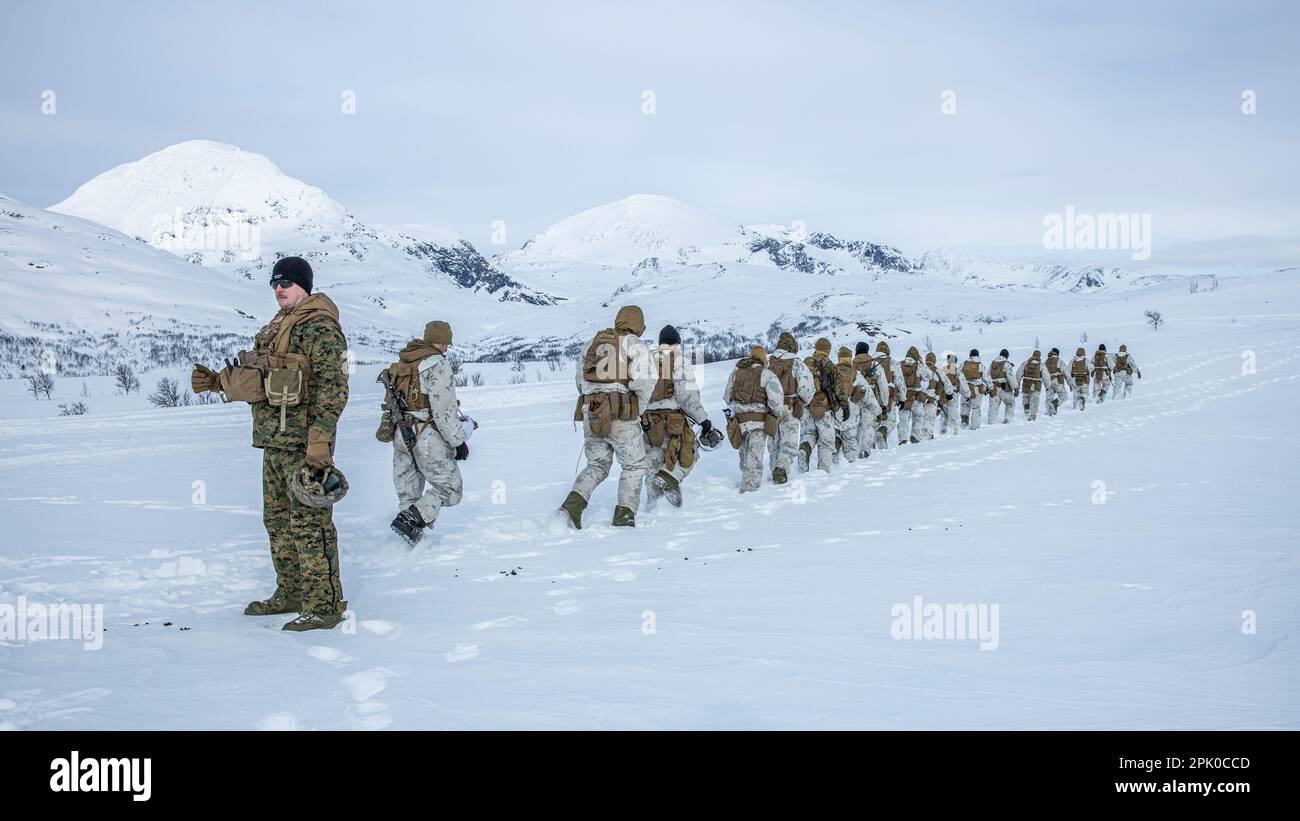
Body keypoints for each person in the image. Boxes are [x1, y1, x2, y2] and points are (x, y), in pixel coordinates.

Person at [190, 256, 349, 631]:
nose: (280, 288)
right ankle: (291, 592)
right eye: (275, 282)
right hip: (272, 441)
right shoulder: (275, 327)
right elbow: (259, 378)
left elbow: (334, 389)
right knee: (277, 522)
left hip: (304, 444)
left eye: (288, 282)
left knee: (309, 523)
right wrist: (219, 382)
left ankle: (324, 605)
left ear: (304, 285)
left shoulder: (320, 328)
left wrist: (319, 443)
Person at [559, 305, 657, 529]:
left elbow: (579, 381)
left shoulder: (591, 344)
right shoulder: (634, 345)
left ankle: (570, 508)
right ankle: (624, 518)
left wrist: (594, 400)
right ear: (638, 324)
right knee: (633, 465)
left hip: (591, 412)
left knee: (596, 465)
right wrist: (637, 409)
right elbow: (645, 381)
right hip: (621, 414)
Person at [381, 321, 469, 546]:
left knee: (409, 493)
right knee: (451, 488)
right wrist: (458, 442)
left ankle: (406, 545)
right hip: (425, 435)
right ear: (439, 341)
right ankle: (410, 521)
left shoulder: (405, 361)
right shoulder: (437, 365)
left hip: (400, 433)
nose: (447, 348)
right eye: (446, 343)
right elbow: (444, 411)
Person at [642, 324, 720, 508]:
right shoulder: (678, 361)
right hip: (672, 422)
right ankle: (670, 478)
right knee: (689, 453)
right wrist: (704, 420)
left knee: (652, 464)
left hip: (647, 424)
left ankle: (653, 508)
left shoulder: (644, 361)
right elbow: (688, 397)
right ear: (675, 343)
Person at [723, 346, 783, 492]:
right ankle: (749, 494)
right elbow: (776, 400)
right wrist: (774, 414)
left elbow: (727, 397)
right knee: (755, 458)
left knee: (744, 455)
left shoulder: (736, 373)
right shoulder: (767, 374)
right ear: (763, 359)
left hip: (740, 422)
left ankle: (745, 486)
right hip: (759, 422)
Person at [765, 331, 814, 484]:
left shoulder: (768, 362)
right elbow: (807, 388)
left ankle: (775, 469)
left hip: (770, 409)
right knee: (790, 441)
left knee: (774, 441)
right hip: (789, 407)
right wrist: (802, 402)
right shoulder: (796, 362)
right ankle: (782, 468)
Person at [800, 338, 846, 472]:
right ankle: (823, 472)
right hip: (824, 408)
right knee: (826, 441)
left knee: (808, 434)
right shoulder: (830, 365)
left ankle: (804, 448)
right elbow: (839, 388)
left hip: (807, 406)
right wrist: (844, 405)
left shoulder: (806, 363)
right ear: (828, 350)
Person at [852, 342, 889, 456]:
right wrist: (884, 403)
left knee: (855, 426)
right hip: (870, 398)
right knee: (868, 425)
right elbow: (883, 386)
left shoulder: (851, 363)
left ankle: (853, 452)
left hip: (854, 399)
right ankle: (865, 449)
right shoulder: (874, 363)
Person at [897, 346, 936, 444]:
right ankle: (915, 437)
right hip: (916, 397)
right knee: (918, 417)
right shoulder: (919, 366)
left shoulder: (899, 364)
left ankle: (903, 439)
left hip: (903, 396)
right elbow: (929, 375)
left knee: (903, 420)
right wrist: (922, 363)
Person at [960, 349, 991, 430]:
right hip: (976, 389)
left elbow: (958, 375)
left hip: (965, 388)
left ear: (970, 355)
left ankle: (964, 424)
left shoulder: (963, 364)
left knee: (964, 405)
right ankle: (975, 426)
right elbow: (986, 378)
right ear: (977, 355)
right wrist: (990, 387)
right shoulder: (980, 365)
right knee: (975, 408)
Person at [986, 348, 1016, 424]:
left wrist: (989, 386)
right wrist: (1015, 387)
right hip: (1004, 388)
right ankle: (1008, 420)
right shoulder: (1006, 363)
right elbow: (1010, 376)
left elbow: (987, 375)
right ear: (1007, 356)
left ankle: (991, 421)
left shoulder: (993, 363)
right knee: (1010, 403)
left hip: (994, 388)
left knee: (993, 406)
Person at [1015, 349, 1044, 421]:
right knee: (1035, 400)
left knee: (1026, 396)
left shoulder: (1026, 363)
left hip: (1026, 384)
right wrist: (1048, 386)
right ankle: (1032, 415)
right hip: (1036, 385)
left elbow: (1019, 373)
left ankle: (1026, 406)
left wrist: (1017, 385)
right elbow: (1046, 376)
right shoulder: (1041, 365)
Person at [1043, 347, 1070, 416]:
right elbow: (1066, 373)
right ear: (1057, 354)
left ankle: (1048, 413)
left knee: (1049, 398)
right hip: (1057, 381)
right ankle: (1055, 403)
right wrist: (1070, 383)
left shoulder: (1046, 362)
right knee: (1064, 396)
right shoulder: (1059, 361)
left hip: (1048, 382)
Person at [1069, 346, 1091, 411]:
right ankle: (1082, 399)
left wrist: (1070, 380)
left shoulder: (1073, 361)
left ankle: (1075, 407)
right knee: (1085, 393)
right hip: (1084, 379)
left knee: (1075, 394)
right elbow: (1091, 368)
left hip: (1074, 380)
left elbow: (1067, 370)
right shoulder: (1086, 361)